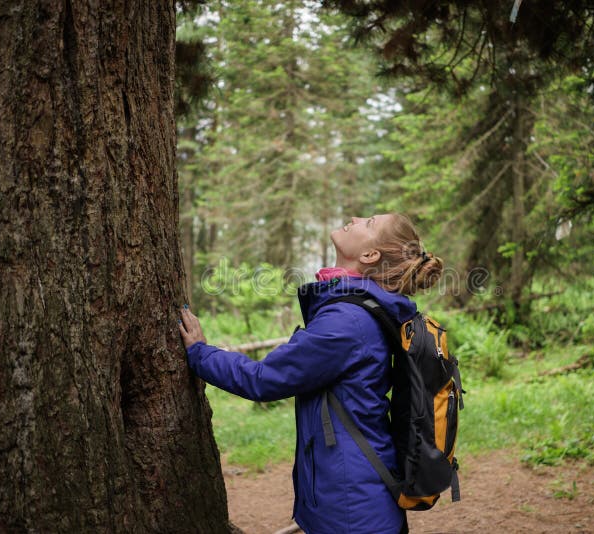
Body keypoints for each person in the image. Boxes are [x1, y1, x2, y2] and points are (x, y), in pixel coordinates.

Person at [178, 213, 443, 534]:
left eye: (369, 222)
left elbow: (265, 379)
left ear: (370, 255)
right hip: (353, 492)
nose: (355, 217)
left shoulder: (347, 321)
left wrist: (200, 353)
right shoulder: (356, 308)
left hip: (352, 506)